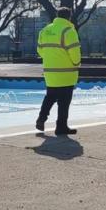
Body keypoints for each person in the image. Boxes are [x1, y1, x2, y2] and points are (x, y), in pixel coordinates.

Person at [36, 7, 81, 135]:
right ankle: (61, 127)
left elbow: (40, 50)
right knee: (64, 101)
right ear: (69, 17)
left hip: (50, 71)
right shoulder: (68, 30)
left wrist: (51, 59)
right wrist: (76, 63)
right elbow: (74, 51)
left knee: (50, 97)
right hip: (66, 72)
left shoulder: (45, 30)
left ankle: (41, 119)